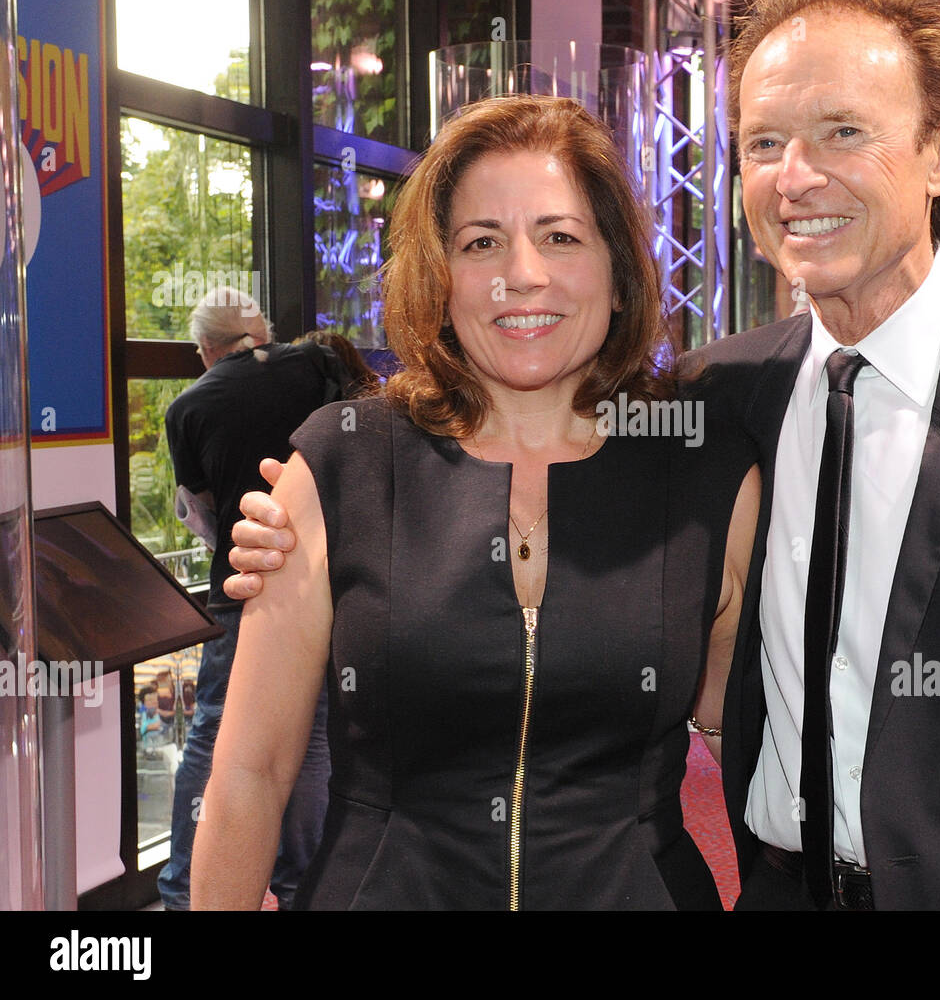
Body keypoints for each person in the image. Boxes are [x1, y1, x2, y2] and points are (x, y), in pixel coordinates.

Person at [230, 0, 940, 911]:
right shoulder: (712, 399)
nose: (796, 176)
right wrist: (317, 518)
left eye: (842, 132)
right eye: (762, 142)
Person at [195, 95, 759, 910]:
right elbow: (252, 768)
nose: (521, 272)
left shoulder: (707, 475)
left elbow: (747, 737)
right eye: (481, 242)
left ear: (617, 272)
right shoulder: (345, 459)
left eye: (560, 236)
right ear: (442, 276)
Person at [157, 289, 345, 911]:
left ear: (206, 348)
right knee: (312, 735)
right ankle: (297, 884)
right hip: (323, 579)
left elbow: (204, 513)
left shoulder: (189, 406)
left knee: (217, 735)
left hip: (240, 589)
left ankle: (187, 889)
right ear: (260, 331)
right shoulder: (315, 367)